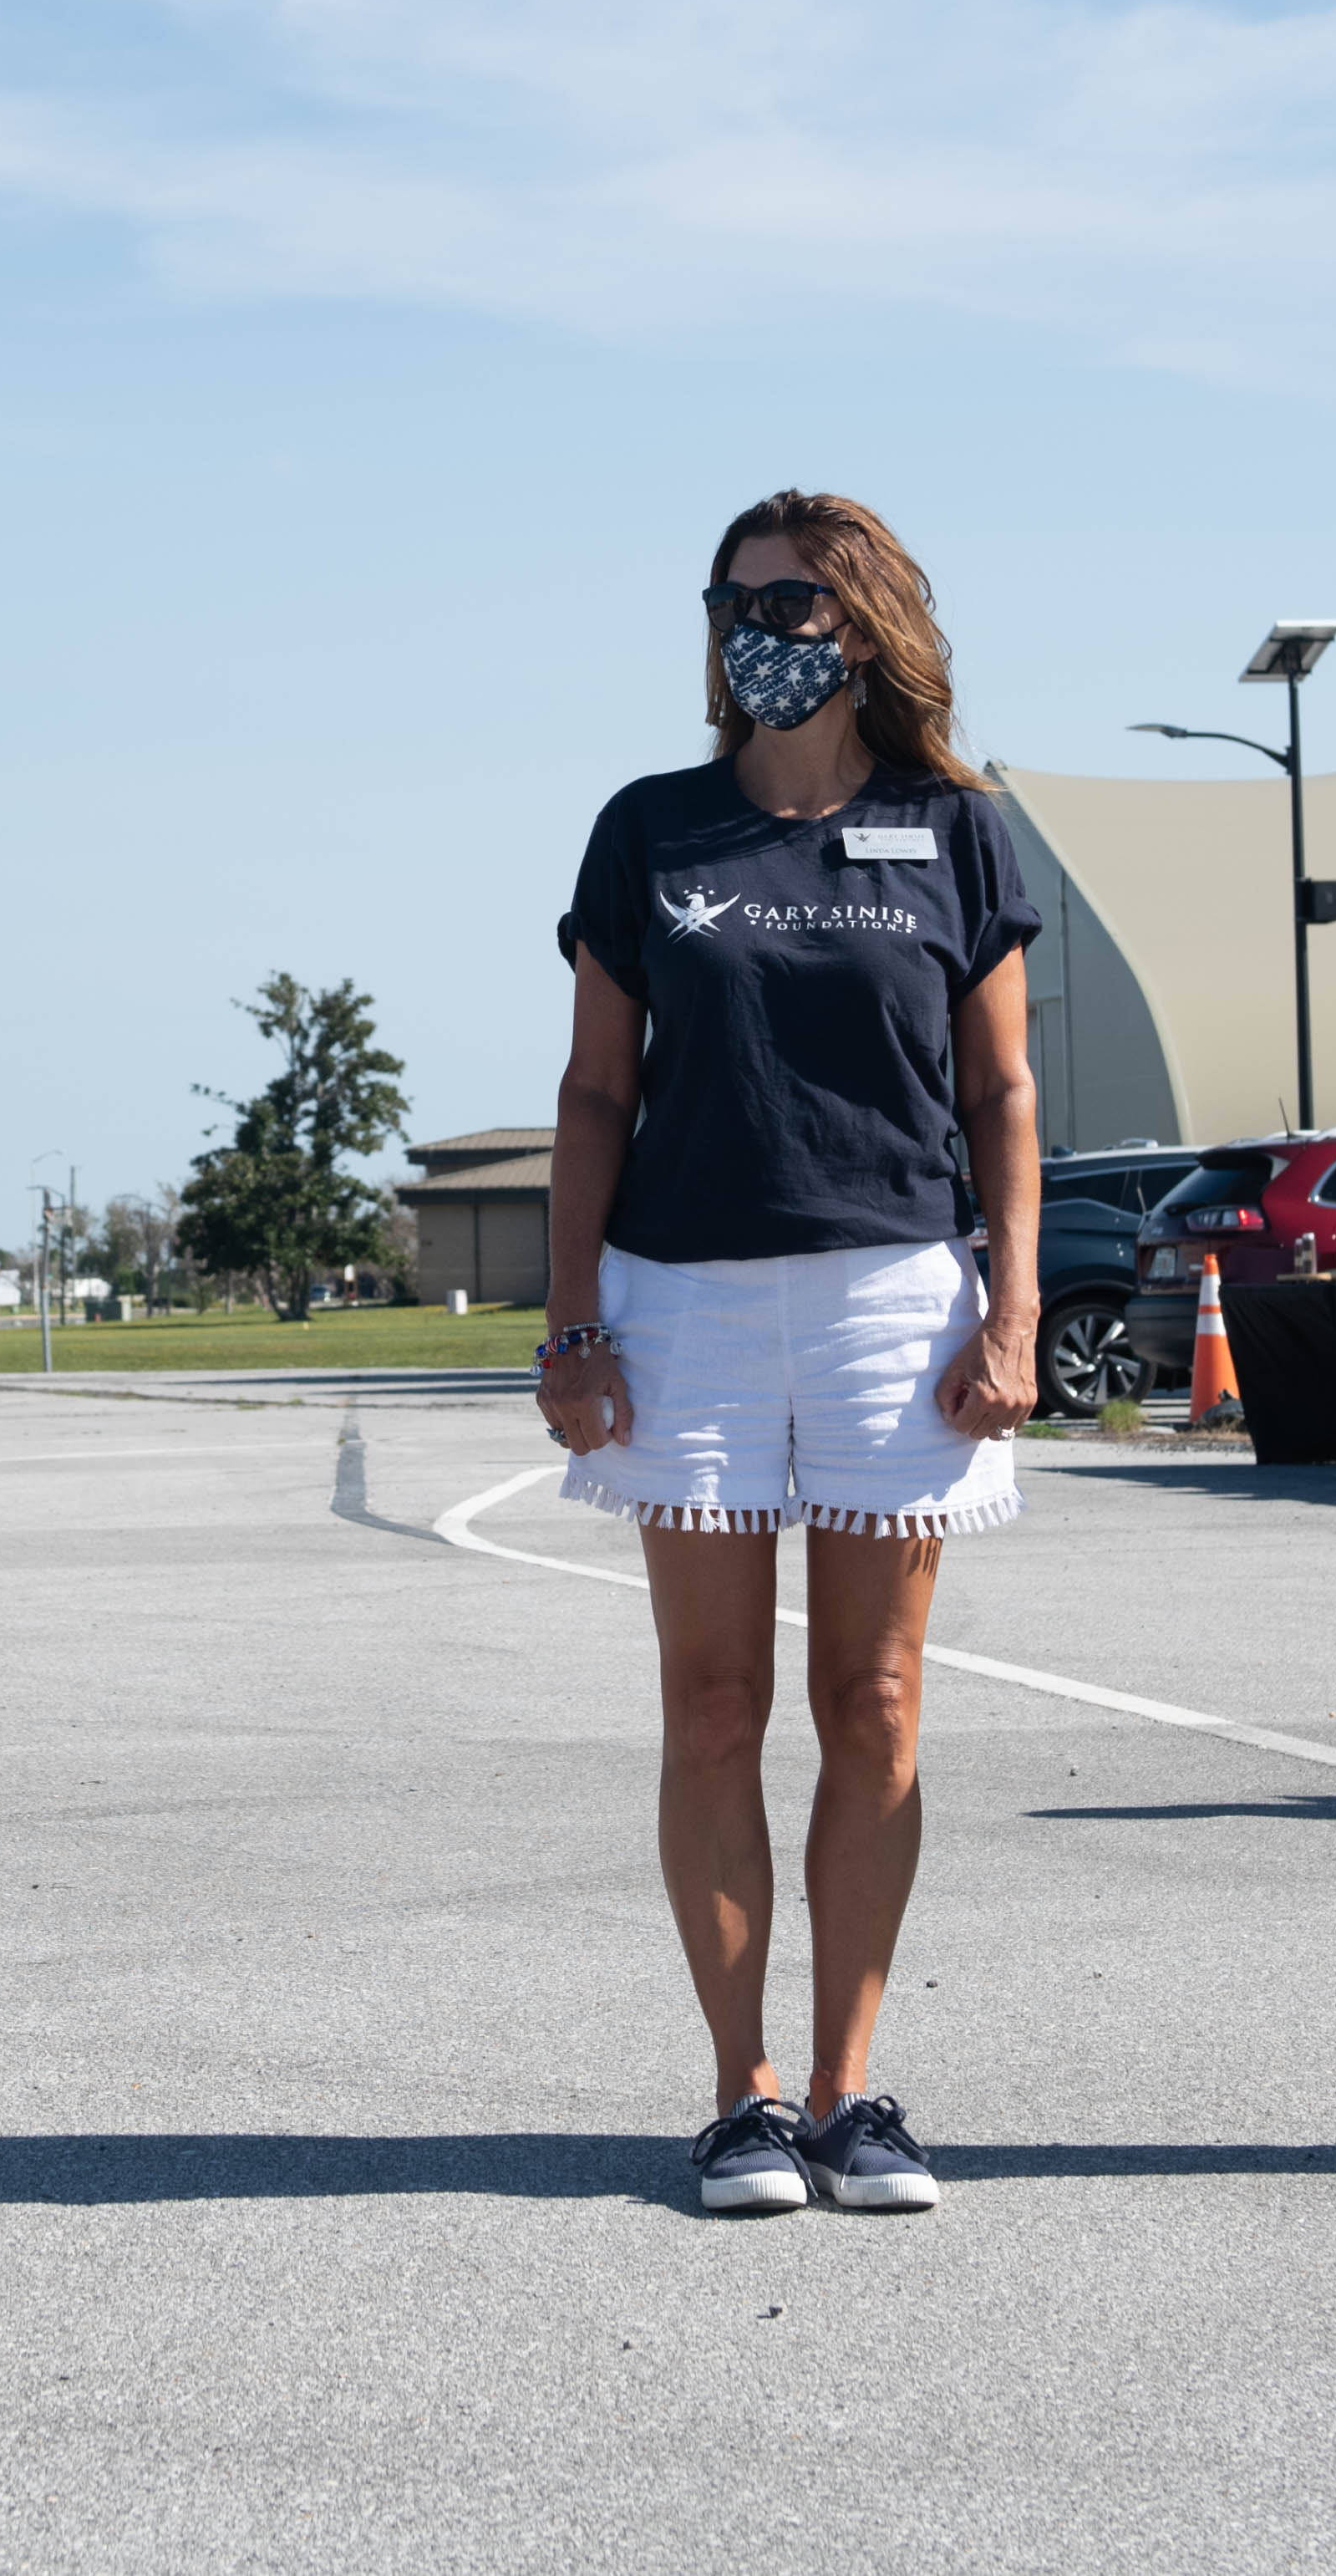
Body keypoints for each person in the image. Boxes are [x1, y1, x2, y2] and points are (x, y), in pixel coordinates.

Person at [540, 488, 1041, 2220]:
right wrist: (569, 1320)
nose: (766, 625)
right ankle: (741, 2094)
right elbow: (596, 1088)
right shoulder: (649, 828)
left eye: (801, 600)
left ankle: (850, 2088)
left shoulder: (953, 828)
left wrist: (1016, 1305)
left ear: (867, 622)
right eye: (739, 598)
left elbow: (999, 1094)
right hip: (678, 1299)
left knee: (874, 1702)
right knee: (708, 1703)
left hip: (895, 1294)